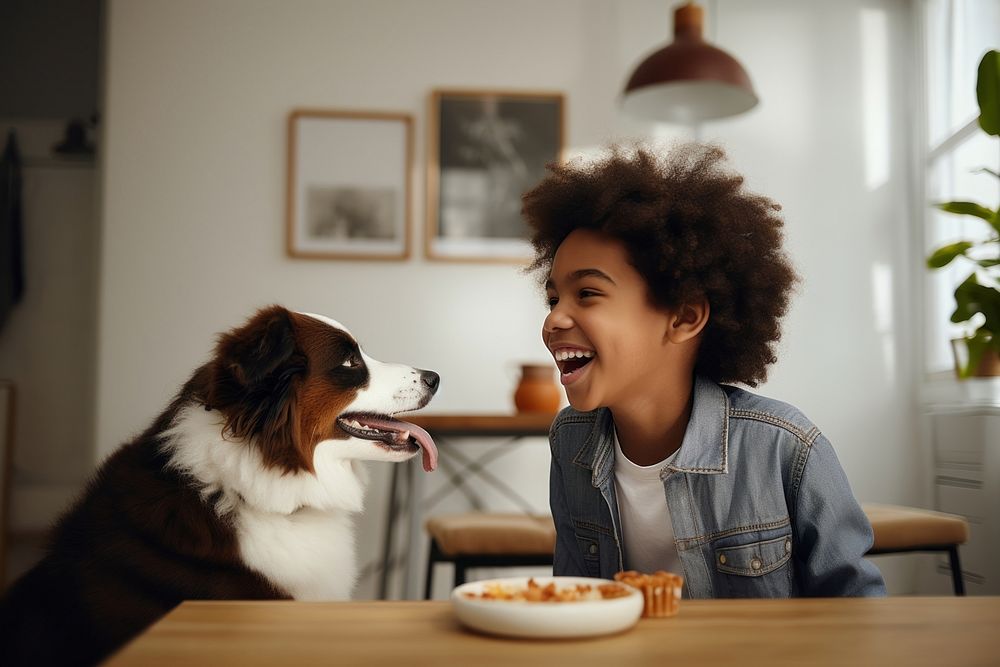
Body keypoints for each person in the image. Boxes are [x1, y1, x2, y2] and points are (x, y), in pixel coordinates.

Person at [522, 143, 886, 598]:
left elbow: (857, 612)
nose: (554, 319)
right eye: (554, 298)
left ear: (684, 317)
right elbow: (576, 596)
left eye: (588, 294)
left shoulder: (785, 448)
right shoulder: (570, 438)